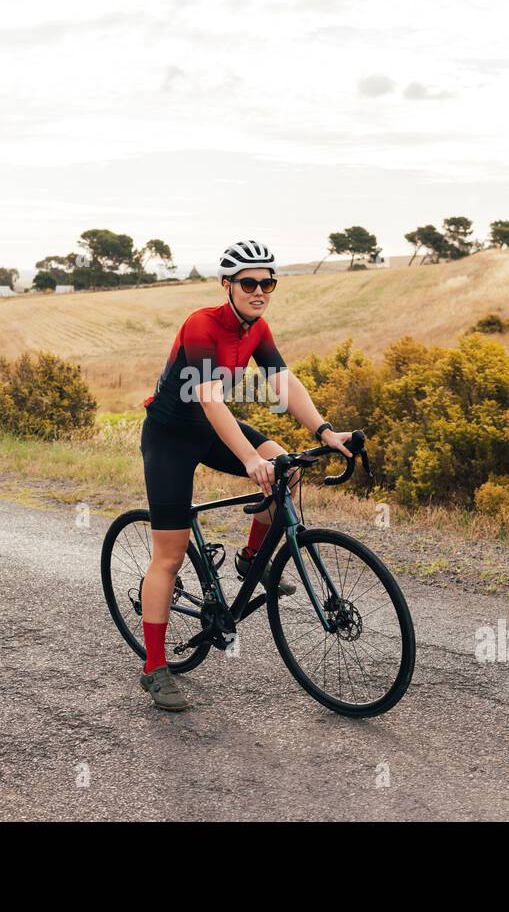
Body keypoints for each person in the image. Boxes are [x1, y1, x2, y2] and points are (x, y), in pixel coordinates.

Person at [136, 239, 353, 711]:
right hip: (171, 438)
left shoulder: (257, 328)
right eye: (249, 283)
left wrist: (324, 430)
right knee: (168, 558)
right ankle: (155, 667)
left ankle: (251, 560)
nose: (260, 291)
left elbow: (282, 382)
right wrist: (251, 460)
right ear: (227, 285)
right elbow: (210, 397)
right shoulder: (201, 325)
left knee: (287, 467)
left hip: (212, 429)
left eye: (267, 283)